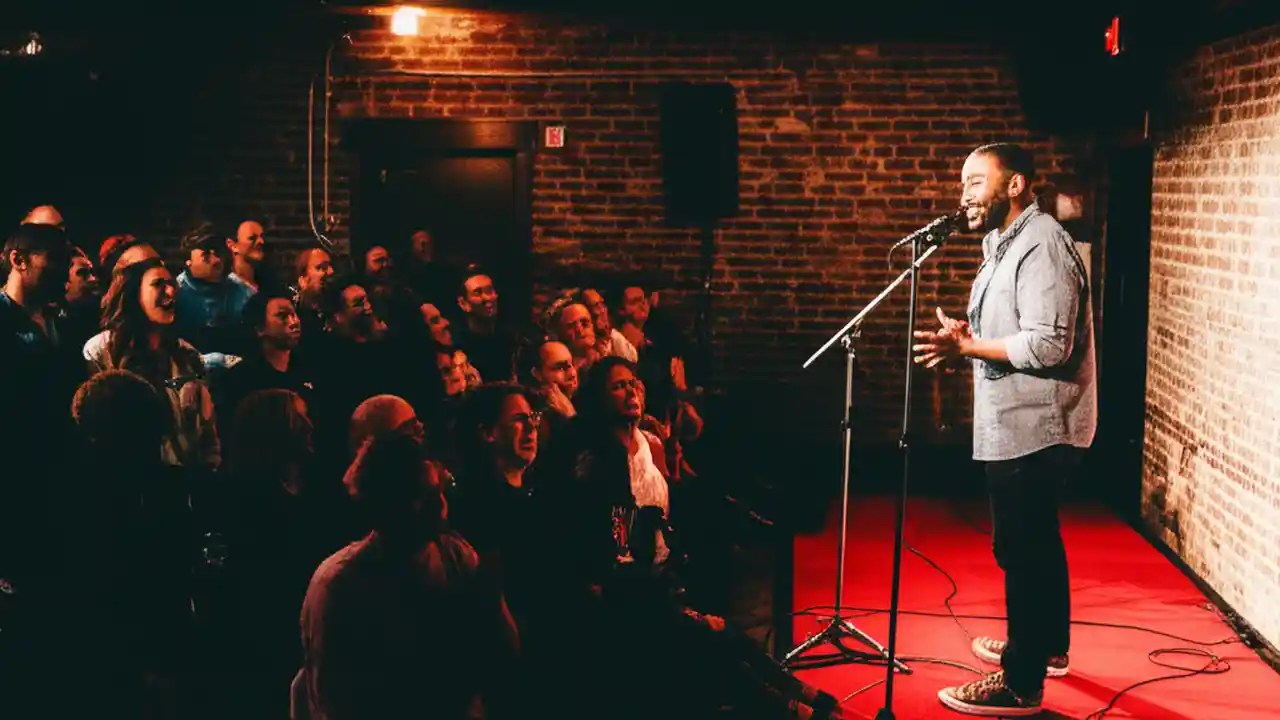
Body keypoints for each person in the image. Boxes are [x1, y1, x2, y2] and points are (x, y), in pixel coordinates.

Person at [913, 143, 1096, 717]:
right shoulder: (1003, 245)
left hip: (1038, 424)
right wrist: (970, 333)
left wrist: (968, 347)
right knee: (1035, 540)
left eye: (974, 183)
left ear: (1014, 186)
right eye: (961, 184)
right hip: (1017, 421)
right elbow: (1013, 326)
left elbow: (1049, 343)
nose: (962, 195)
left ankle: (1021, 680)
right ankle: (1046, 647)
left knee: (1021, 547)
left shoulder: (1041, 245)